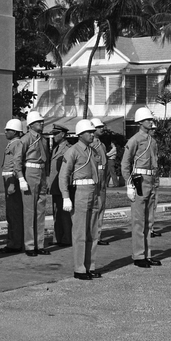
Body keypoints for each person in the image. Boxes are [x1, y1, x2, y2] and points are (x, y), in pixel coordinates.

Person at [60, 119, 101, 280]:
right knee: (79, 233)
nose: (92, 134)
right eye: (89, 132)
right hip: (80, 192)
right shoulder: (73, 151)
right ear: (80, 134)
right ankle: (79, 268)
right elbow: (64, 176)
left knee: (92, 232)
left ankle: (90, 266)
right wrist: (65, 197)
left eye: (92, 132)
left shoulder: (93, 151)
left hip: (93, 190)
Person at [121, 107, 160, 268]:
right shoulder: (134, 140)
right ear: (140, 122)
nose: (151, 122)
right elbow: (125, 163)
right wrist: (128, 184)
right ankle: (138, 255)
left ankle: (147, 253)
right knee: (139, 220)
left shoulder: (153, 140)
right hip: (139, 180)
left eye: (150, 120)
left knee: (149, 220)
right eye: (148, 120)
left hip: (150, 179)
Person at [16, 110, 49, 255]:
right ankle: (29, 245)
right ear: (31, 124)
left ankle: (39, 244)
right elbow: (17, 160)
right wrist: (21, 177)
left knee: (41, 210)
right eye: (38, 122)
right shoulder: (25, 139)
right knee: (29, 211)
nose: (41, 123)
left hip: (41, 173)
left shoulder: (43, 140)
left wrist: (46, 178)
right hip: (30, 172)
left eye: (41, 121)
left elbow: (46, 159)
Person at [0, 119, 25, 253]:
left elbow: (17, 162)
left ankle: (15, 243)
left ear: (15, 131)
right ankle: (13, 241)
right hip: (8, 177)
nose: (5, 132)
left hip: (12, 178)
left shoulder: (17, 144)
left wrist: (14, 182)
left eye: (8, 130)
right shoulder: (12, 143)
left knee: (14, 213)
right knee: (10, 213)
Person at [48, 124, 72, 247]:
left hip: (63, 185)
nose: (54, 136)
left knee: (65, 213)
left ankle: (67, 237)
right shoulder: (56, 148)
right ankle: (57, 237)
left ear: (63, 134)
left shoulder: (68, 148)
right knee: (56, 212)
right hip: (55, 185)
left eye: (56, 134)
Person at [91, 118, 110, 246]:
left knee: (101, 205)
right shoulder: (91, 144)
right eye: (99, 127)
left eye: (102, 127)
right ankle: (92, 235)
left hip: (102, 175)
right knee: (94, 206)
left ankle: (97, 235)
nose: (101, 129)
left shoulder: (102, 144)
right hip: (95, 174)